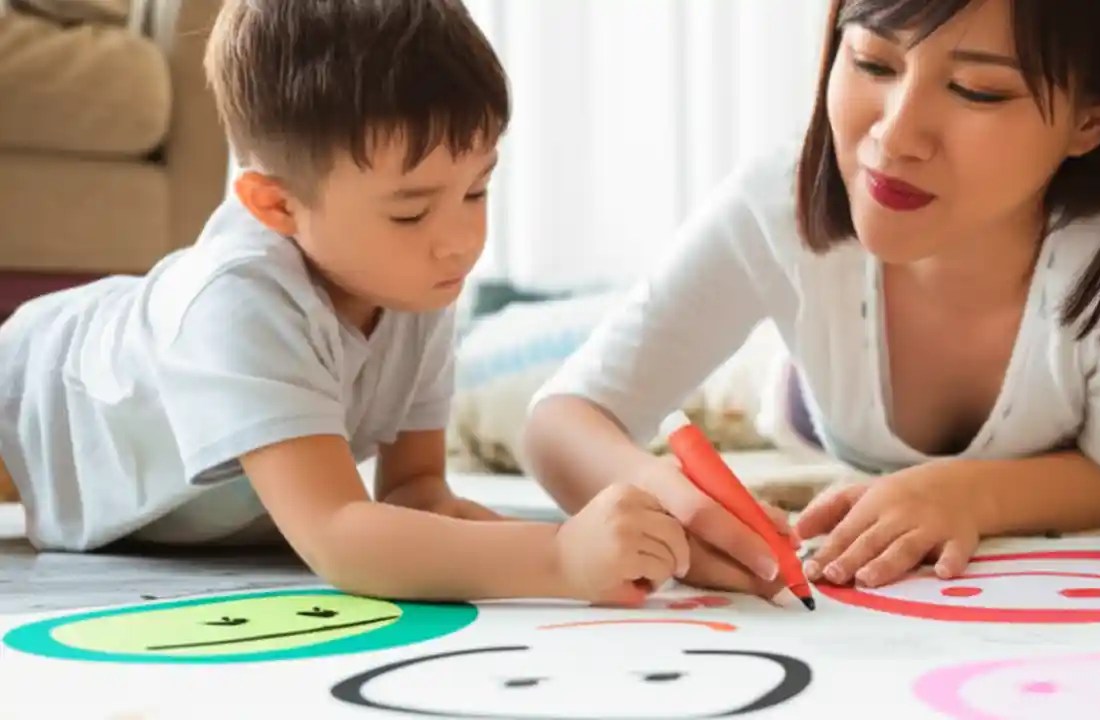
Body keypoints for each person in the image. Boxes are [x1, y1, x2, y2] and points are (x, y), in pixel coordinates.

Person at [523, 0, 1100, 596]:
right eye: (871, 62)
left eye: (977, 91)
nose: (894, 136)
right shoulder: (775, 204)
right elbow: (559, 419)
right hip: (799, 400)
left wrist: (968, 494)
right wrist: (670, 498)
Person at [0, 0, 691, 607]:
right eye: (410, 213)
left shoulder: (418, 283)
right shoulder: (239, 303)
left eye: (476, 191)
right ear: (276, 205)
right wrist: (558, 560)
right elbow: (337, 535)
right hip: (39, 395)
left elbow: (414, 494)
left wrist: (582, 541)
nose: (458, 242)